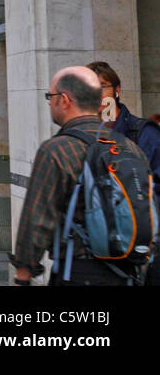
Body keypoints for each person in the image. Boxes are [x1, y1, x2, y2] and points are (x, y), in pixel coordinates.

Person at [13, 66, 152, 286]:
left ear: (65, 100)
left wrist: (24, 271)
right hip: (127, 272)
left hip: (78, 270)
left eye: (51, 96)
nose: (50, 103)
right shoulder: (128, 147)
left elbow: (37, 218)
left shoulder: (57, 150)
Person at [88, 60, 160, 286]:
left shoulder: (141, 133)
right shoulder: (82, 136)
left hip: (139, 250)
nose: (97, 94)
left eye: (103, 87)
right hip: (95, 253)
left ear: (116, 91)